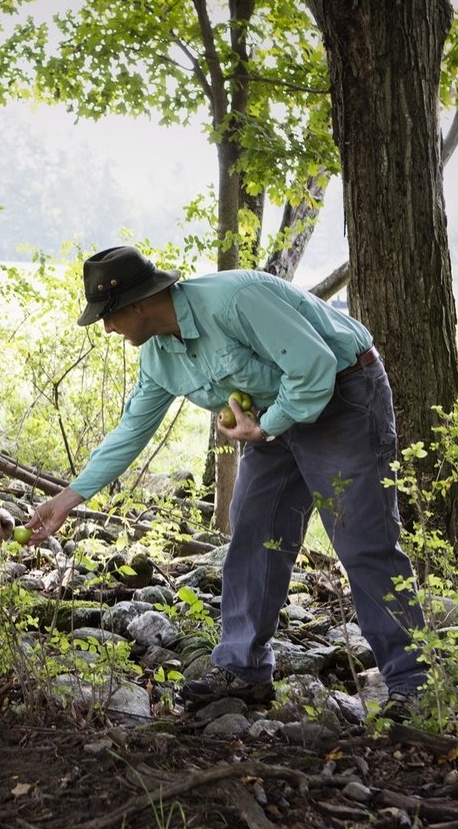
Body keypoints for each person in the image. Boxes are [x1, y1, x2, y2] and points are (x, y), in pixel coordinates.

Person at [25, 245, 429, 719]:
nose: (108, 328)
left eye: (110, 316)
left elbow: (315, 365)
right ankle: (244, 669)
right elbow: (131, 430)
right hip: (271, 416)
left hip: (341, 393)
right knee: (252, 528)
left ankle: (412, 684)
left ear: (139, 304)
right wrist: (68, 499)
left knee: (361, 538)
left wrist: (267, 424)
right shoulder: (158, 356)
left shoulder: (236, 300)